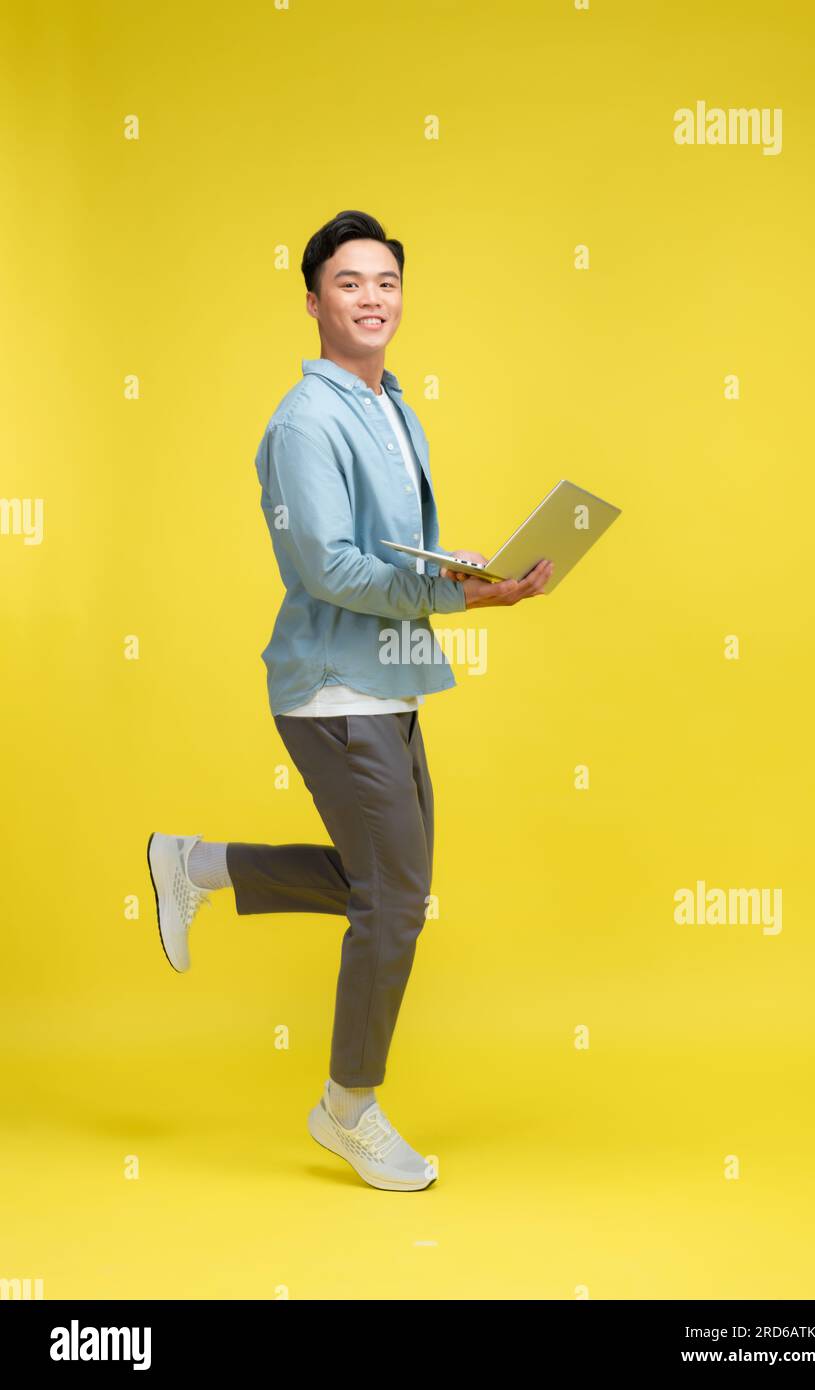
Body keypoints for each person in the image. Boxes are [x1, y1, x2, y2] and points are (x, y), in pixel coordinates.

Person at [147, 210, 553, 1192]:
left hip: (392, 677)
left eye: (385, 282)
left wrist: (459, 570)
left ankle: (195, 866)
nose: (371, 298)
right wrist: (457, 594)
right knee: (395, 902)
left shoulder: (391, 405)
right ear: (313, 300)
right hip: (332, 688)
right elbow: (326, 566)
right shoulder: (303, 422)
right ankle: (347, 1106)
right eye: (348, 283)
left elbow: (388, 545)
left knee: (391, 892)